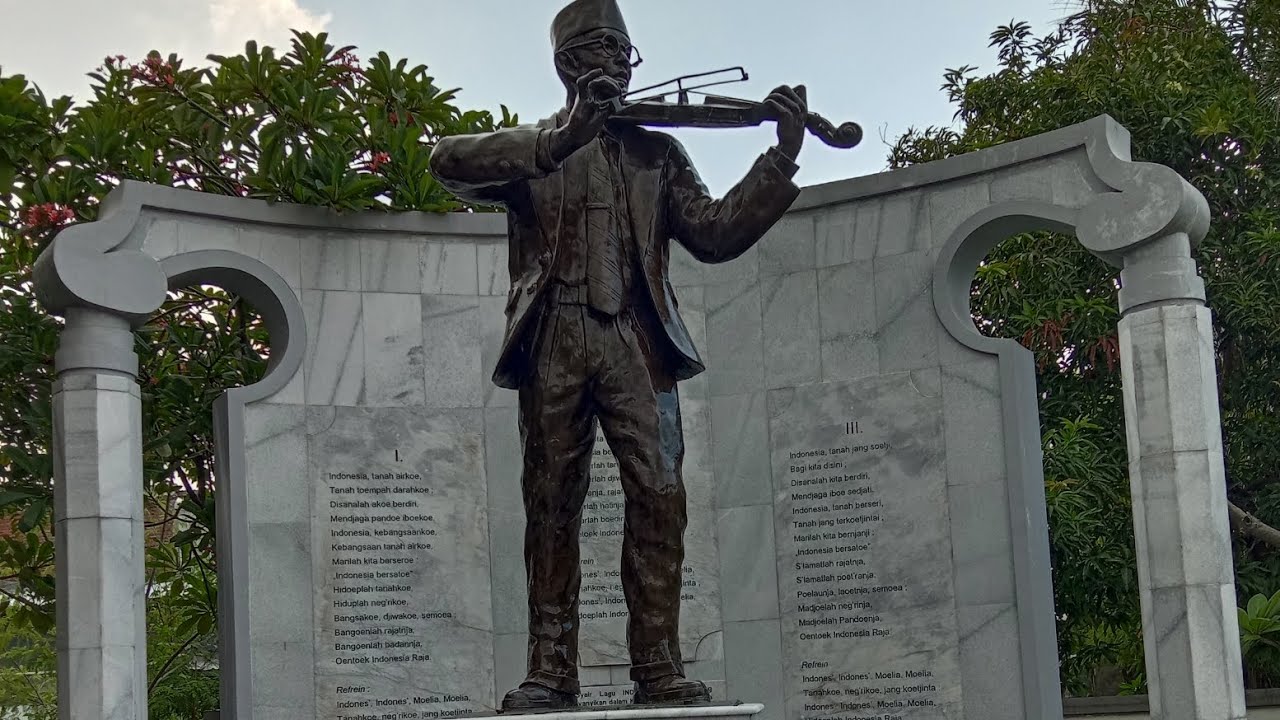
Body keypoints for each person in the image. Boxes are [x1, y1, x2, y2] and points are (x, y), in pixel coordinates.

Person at [428, 0, 807, 710]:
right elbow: (444, 161)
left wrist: (780, 157)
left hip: (639, 339)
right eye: (604, 49)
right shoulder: (533, 147)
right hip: (555, 338)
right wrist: (562, 138)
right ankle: (550, 668)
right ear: (569, 62)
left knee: (662, 496)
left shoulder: (657, 153)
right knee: (550, 503)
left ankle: (658, 664)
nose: (620, 64)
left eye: (626, 53)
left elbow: (717, 234)